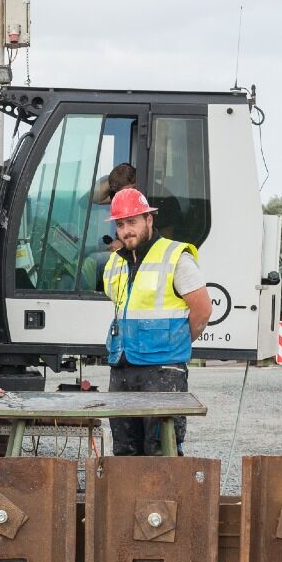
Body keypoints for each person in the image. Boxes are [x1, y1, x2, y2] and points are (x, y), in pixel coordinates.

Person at [100, 187, 211, 455]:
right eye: (120, 224)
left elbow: (203, 310)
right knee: (125, 453)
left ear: (149, 220)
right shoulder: (115, 262)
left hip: (163, 371)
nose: (126, 230)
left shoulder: (175, 257)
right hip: (123, 367)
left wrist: (175, 343)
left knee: (162, 454)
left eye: (132, 222)